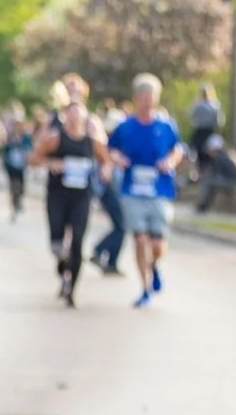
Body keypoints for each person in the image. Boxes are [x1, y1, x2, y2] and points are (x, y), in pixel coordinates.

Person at [106, 74, 183, 307]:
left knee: (157, 245)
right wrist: (118, 159)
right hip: (132, 190)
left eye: (152, 97)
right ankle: (145, 287)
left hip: (159, 189)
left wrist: (170, 162)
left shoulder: (166, 126)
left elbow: (177, 149)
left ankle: (154, 265)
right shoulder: (126, 126)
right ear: (136, 99)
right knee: (139, 239)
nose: (148, 101)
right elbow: (110, 149)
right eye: (144, 97)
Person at [34, 98, 105, 307]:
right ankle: (62, 265)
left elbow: (106, 159)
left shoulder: (92, 141)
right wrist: (50, 163)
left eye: (79, 112)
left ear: (85, 116)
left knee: (78, 243)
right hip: (57, 195)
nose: (75, 117)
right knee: (57, 241)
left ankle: (71, 289)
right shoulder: (56, 139)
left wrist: (106, 169)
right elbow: (34, 157)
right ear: (66, 117)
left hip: (81, 197)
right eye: (71, 113)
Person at [187, 84, 222, 178]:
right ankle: (201, 171)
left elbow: (190, 115)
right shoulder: (213, 105)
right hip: (205, 130)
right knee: (198, 151)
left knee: (204, 151)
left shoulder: (203, 104)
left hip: (205, 130)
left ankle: (205, 171)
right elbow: (219, 121)